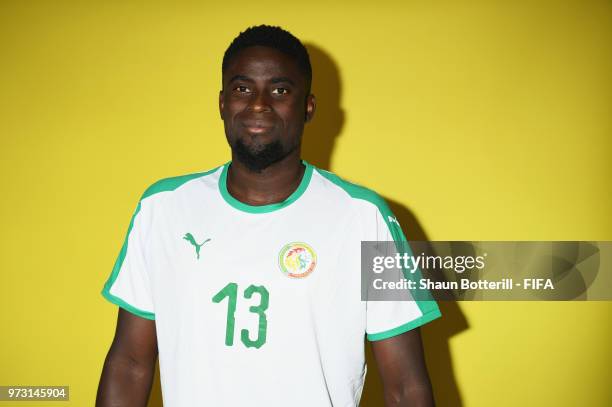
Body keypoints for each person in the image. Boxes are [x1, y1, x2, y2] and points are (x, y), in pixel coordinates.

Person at [96, 24, 441, 407]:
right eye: (243, 88)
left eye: (280, 90)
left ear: (308, 107)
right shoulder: (162, 208)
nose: (258, 104)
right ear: (222, 103)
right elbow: (129, 362)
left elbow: (405, 387)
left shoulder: (364, 217)